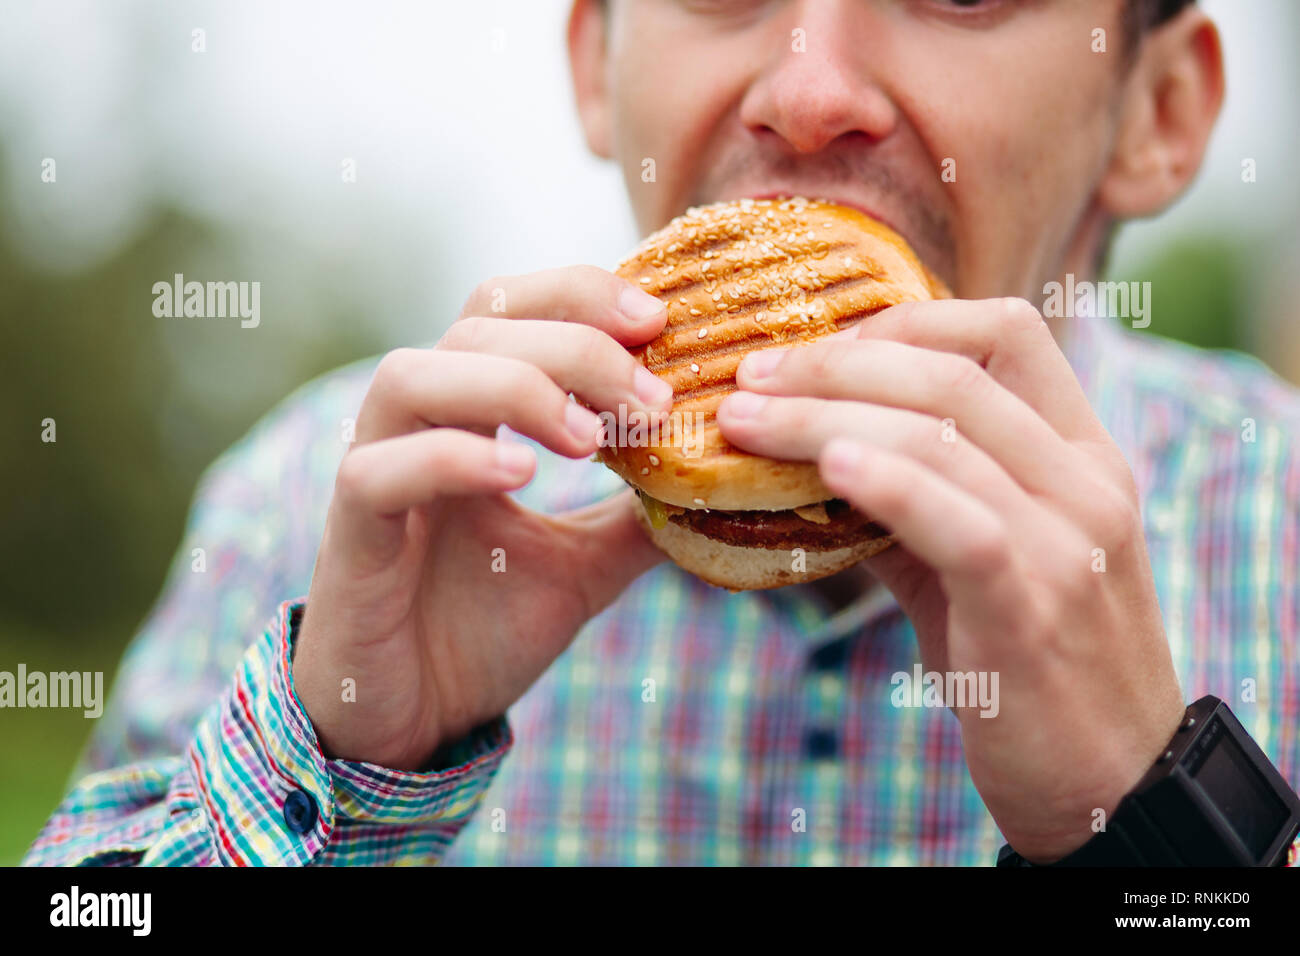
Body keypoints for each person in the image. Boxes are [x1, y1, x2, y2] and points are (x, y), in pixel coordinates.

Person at [23, 0, 1300, 866]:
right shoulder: (320, 501)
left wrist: (1159, 824)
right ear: (596, 62)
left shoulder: (1277, 527)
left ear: (1160, 110)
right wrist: (333, 762)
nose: (809, 93)